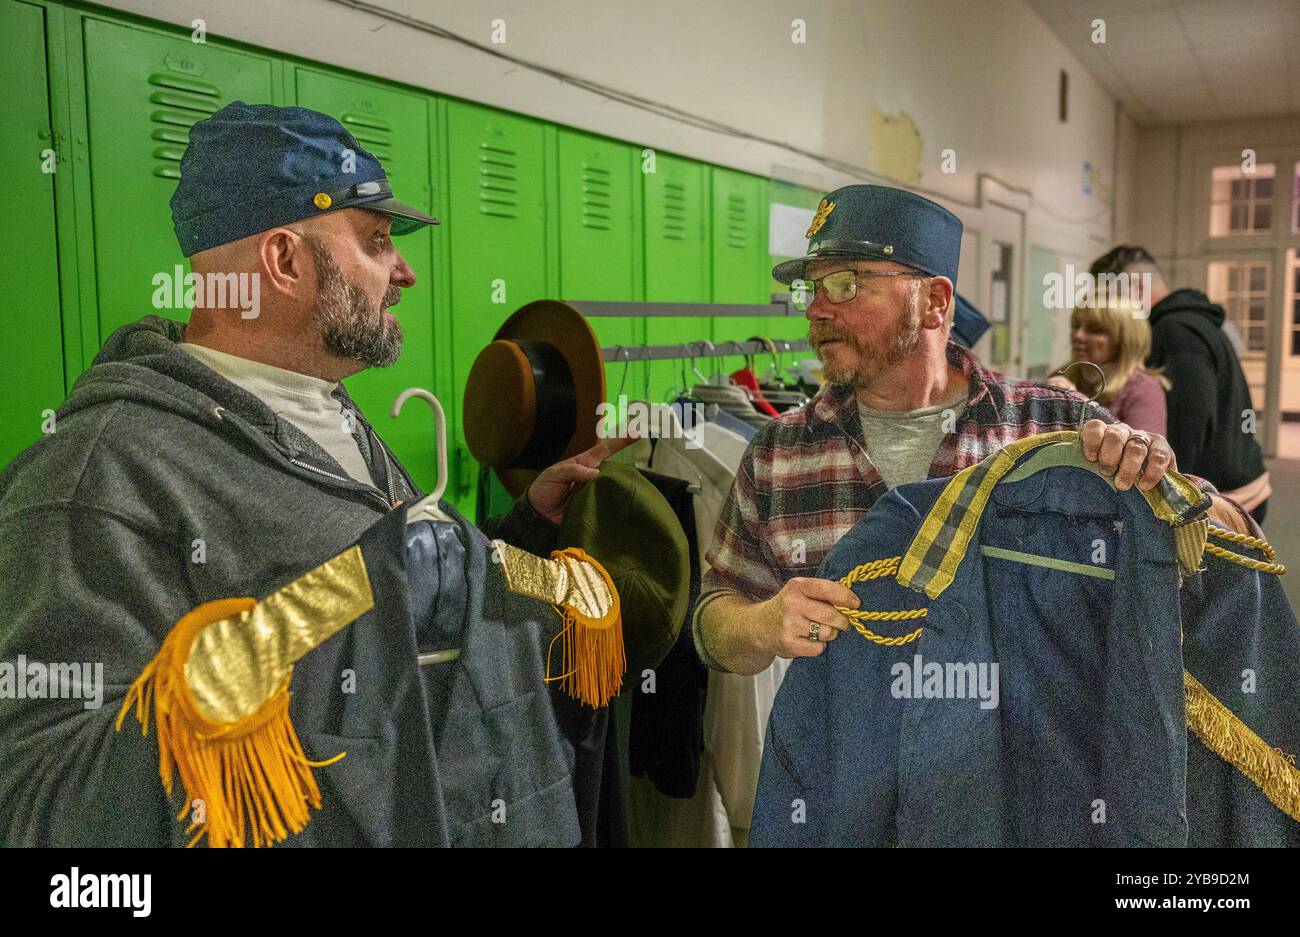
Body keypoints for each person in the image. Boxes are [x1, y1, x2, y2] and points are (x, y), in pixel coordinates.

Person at [0, 102, 629, 845]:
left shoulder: (336, 418)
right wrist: (259, 659)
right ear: (284, 260)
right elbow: (40, 804)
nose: (406, 272)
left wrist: (517, 535)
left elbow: (403, 631)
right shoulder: (95, 472)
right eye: (376, 242)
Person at [693, 185, 1254, 676]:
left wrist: (1157, 477)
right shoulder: (777, 454)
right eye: (810, 289)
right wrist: (763, 625)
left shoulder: (1052, 428)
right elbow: (715, 617)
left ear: (934, 302)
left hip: (1025, 789)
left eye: (843, 285)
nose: (815, 309)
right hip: (848, 788)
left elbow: (1235, 543)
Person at [1089, 245, 1270, 523]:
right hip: (1241, 481)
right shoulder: (1193, 320)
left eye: (1112, 298)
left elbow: (1188, 426)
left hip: (1228, 499)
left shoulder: (1174, 331)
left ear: (1136, 288)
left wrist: (1166, 505)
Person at [1047, 299, 1168, 436]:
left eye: (1094, 330)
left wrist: (1081, 408)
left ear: (1123, 339)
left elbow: (1142, 452)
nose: (1078, 335)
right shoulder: (1060, 376)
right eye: (1076, 326)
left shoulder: (1143, 390)